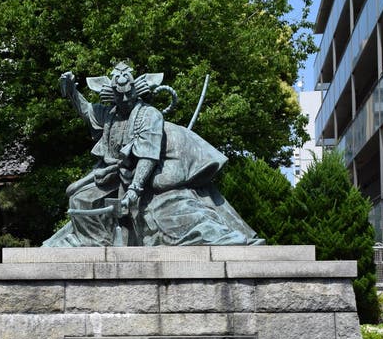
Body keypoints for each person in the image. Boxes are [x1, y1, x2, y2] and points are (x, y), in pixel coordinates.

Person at [43, 63, 263, 247]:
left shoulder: (150, 115)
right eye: (119, 97)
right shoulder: (107, 114)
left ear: (137, 92)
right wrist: (71, 90)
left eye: (129, 94)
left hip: (145, 180)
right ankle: (97, 243)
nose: (124, 100)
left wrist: (133, 192)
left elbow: (148, 156)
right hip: (111, 177)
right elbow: (86, 110)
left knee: (169, 214)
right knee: (79, 198)